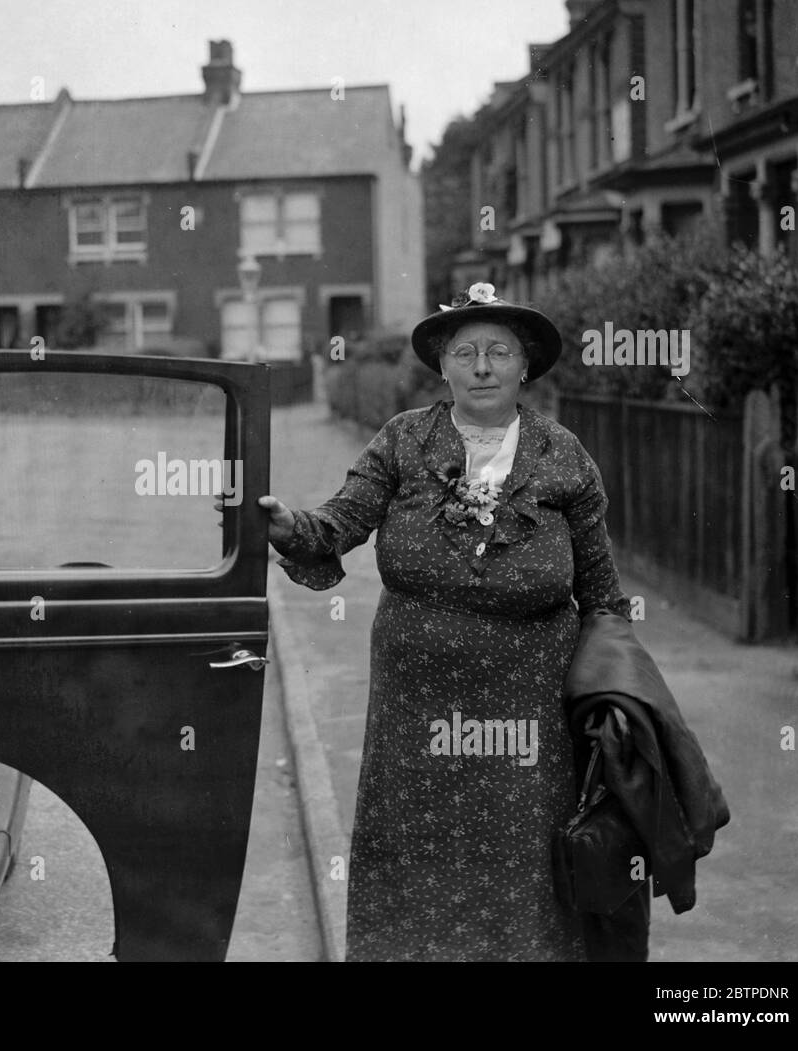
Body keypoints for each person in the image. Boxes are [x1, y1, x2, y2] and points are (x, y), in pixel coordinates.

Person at [261, 283, 632, 961]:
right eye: (466, 352)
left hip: (530, 725)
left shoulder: (563, 455)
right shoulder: (404, 441)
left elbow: (604, 598)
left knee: (523, 868)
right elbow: (340, 522)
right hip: (417, 721)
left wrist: (618, 708)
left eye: (499, 352)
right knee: (418, 869)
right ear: (443, 364)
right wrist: (291, 528)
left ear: (525, 367)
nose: (483, 366)